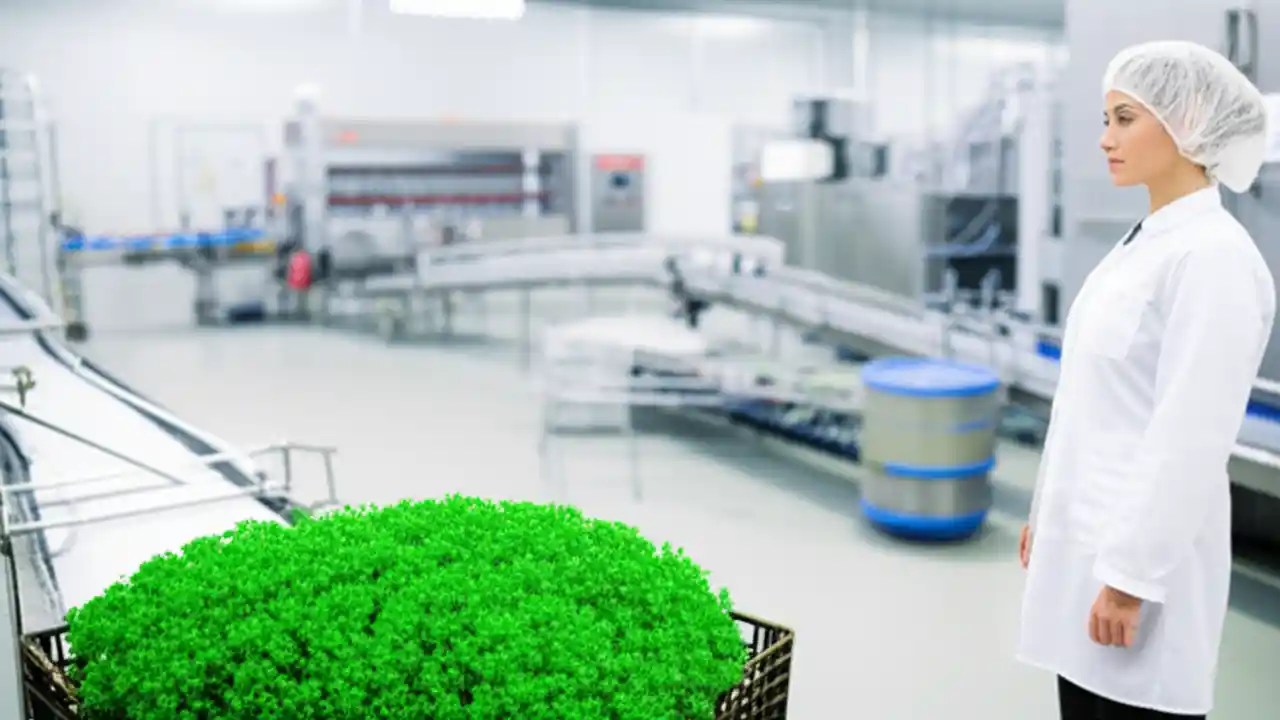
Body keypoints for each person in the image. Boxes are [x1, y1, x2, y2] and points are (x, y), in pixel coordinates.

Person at [1017, 40, 1275, 720]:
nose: (1105, 139)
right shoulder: (1147, 241)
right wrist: (1046, 509)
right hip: (1086, 549)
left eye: (1124, 118)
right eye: (1106, 119)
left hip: (1142, 575)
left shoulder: (1214, 259)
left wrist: (1130, 579)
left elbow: (1188, 435)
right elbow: (1090, 400)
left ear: (1188, 119)